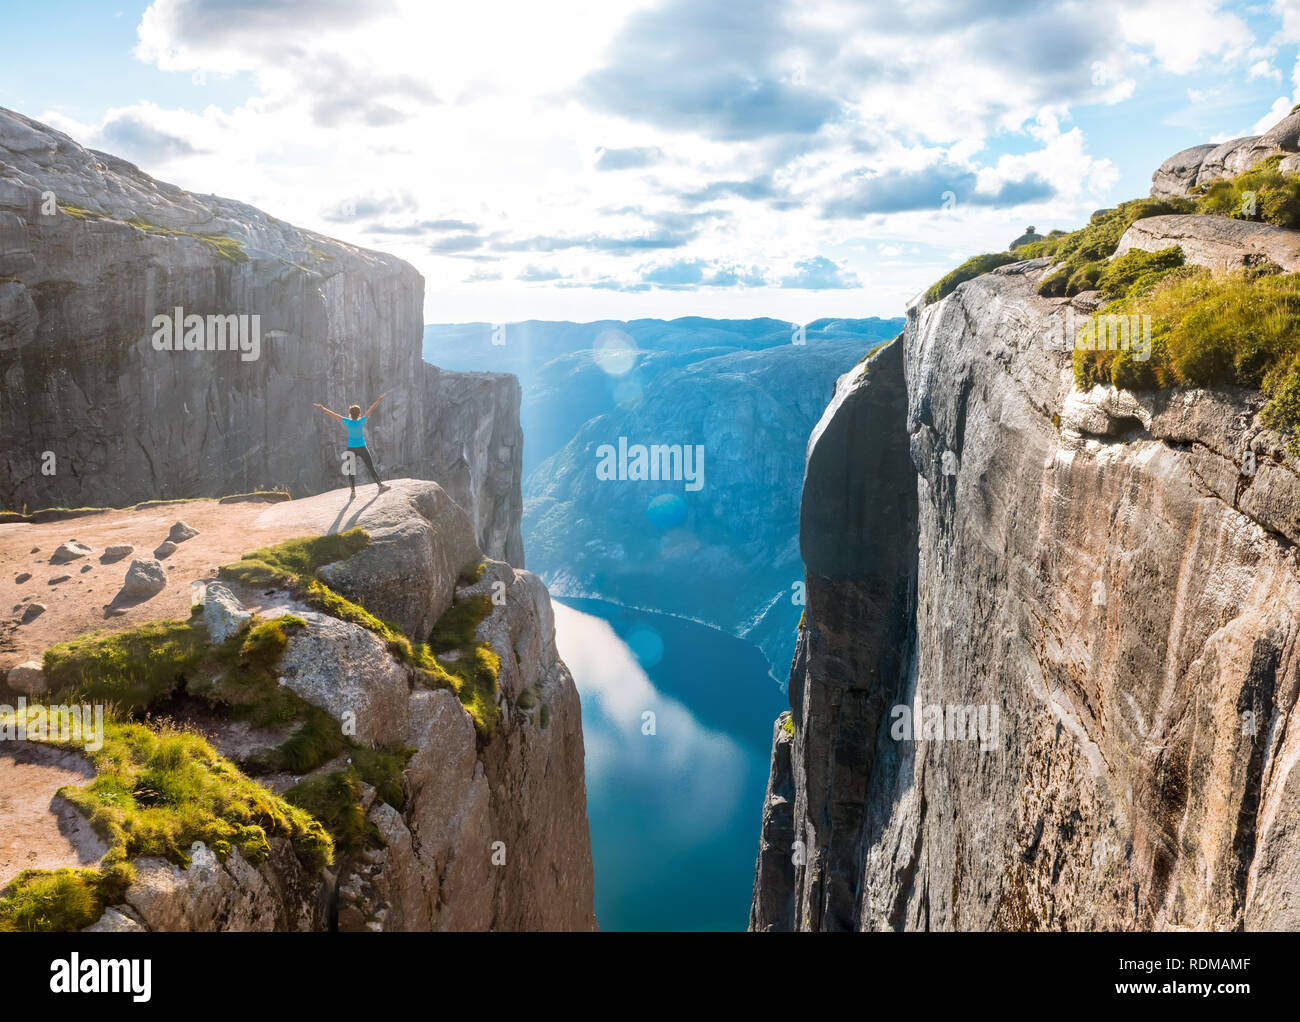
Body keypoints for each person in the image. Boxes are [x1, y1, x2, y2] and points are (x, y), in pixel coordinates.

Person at [313, 393, 390, 498]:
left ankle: (353, 492)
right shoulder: (362, 421)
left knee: (351, 470)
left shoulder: (347, 421)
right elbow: (371, 409)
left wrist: (322, 408)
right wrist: (379, 400)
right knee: (370, 467)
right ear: (359, 413)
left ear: (350, 413)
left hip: (351, 448)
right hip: (362, 447)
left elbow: (334, 415)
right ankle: (380, 485)